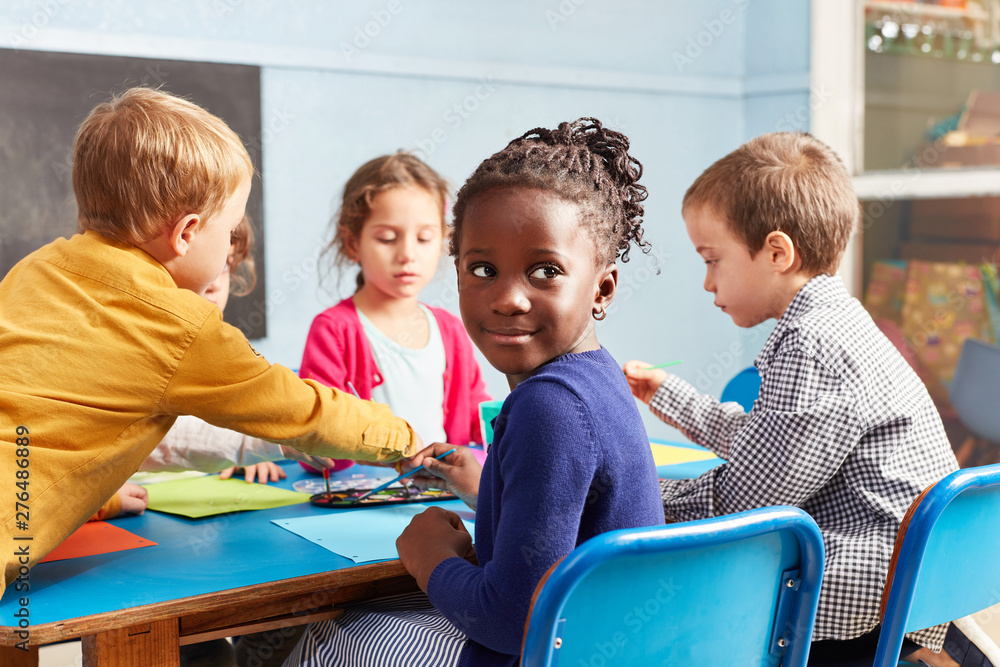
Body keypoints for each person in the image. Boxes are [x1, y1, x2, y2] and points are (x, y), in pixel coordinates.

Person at [0, 87, 420, 592]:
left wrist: (100, 496)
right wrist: (403, 438)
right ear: (187, 233)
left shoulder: (37, 270)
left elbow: (52, 426)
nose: (230, 249)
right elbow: (301, 410)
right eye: (230, 229)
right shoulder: (178, 326)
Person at [284, 118, 665, 667]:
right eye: (483, 269)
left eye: (545, 271)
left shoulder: (548, 406)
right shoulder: (595, 379)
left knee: (336, 634)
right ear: (457, 269)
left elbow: (512, 621)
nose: (508, 297)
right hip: (605, 645)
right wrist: (489, 494)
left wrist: (429, 558)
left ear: (602, 288)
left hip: (551, 654)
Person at [623, 132, 962, 667]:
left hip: (872, 583)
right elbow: (770, 446)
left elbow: (744, 504)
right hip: (917, 569)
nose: (707, 282)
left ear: (777, 253)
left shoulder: (814, 346)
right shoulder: (836, 320)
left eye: (713, 260)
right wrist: (669, 395)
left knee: (680, 583)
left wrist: (628, 495)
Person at [298, 152, 490, 458]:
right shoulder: (334, 331)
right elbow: (313, 436)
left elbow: (478, 423)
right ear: (353, 244)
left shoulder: (451, 330)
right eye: (388, 238)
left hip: (441, 495)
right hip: (366, 499)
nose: (407, 254)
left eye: (424, 238)